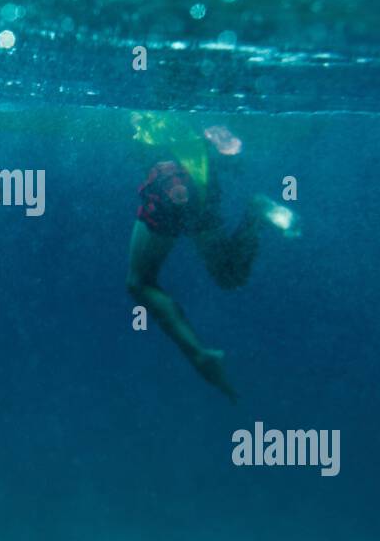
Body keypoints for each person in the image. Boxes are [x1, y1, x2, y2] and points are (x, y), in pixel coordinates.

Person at [125, 114, 296, 402]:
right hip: (199, 182)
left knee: (139, 281)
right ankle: (257, 211)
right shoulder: (196, 112)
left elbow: (150, 129)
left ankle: (199, 355)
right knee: (230, 277)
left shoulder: (154, 114)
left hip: (170, 184)